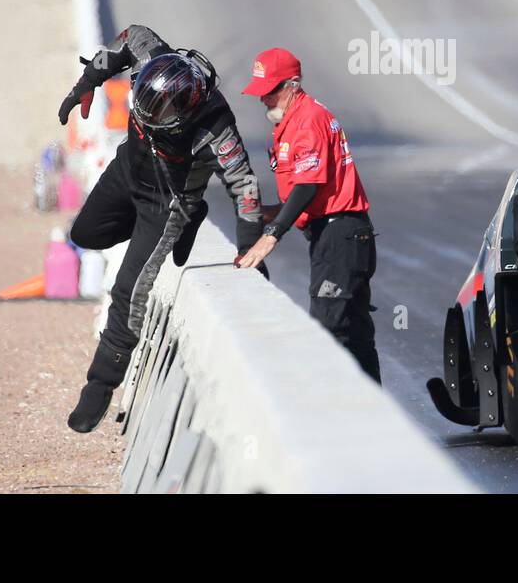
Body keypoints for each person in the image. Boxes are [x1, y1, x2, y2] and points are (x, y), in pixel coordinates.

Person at [58, 25, 264, 432]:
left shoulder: (216, 126)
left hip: (167, 201)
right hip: (127, 170)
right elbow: (128, 36)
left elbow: (245, 186)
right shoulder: (149, 54)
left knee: (129, 288)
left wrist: (250, 248)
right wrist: (86, 83)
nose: (152, 117)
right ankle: (186, 220)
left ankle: (100, 384)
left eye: (162, 116)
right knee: (85, 235)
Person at [235, 48, 381, 383]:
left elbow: (308, 187)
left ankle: (341, 412)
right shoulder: (293, 119)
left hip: (340, 236)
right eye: (261, 93)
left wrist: (271, 233)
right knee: (354, 332)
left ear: (292, 85)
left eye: (269, 92)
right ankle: (373, 410)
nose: (263, 100)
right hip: (339, 234)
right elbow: (303, 193)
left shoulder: (308, 119)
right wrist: (267, 212)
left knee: (329, 330)